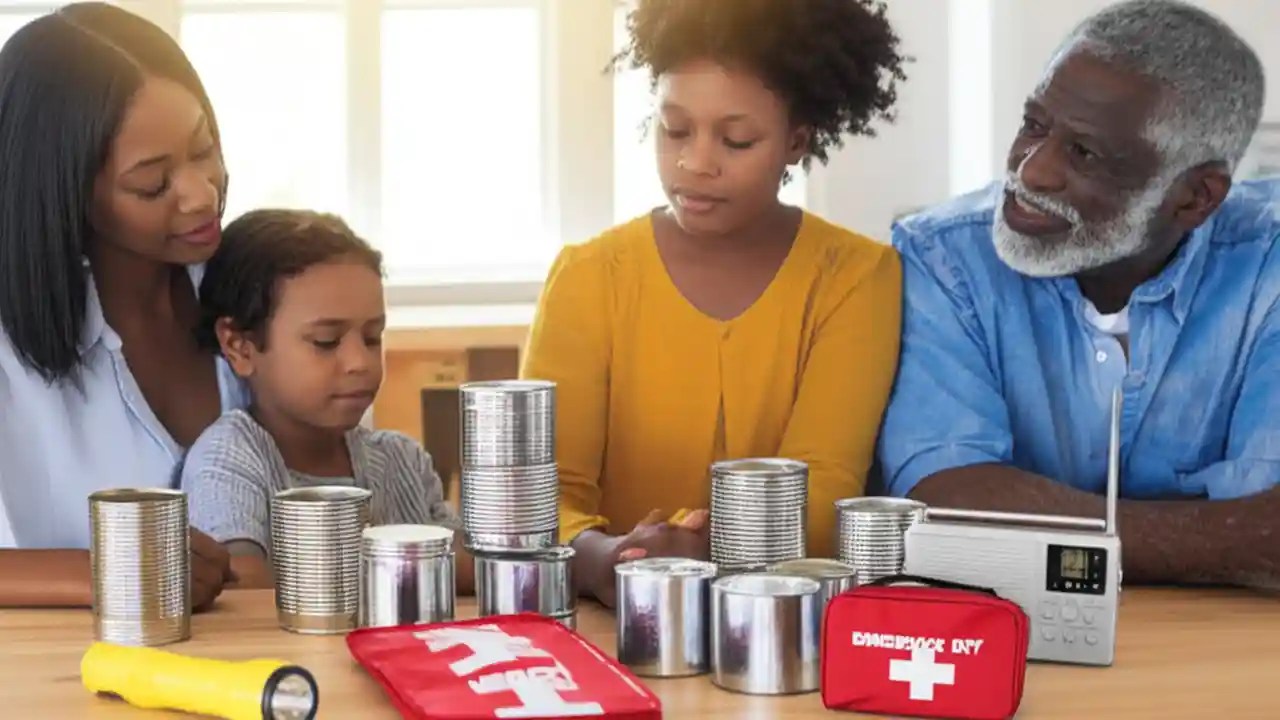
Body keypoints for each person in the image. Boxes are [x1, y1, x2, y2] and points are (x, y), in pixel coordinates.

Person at [878, 0, 1280, 589]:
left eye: (1084, 153)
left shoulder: (1267, 260)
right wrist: (1222, 538)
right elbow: (944, 498)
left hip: (1231, 649)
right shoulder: (942, 255)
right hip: (1015, 632)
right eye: (1033, 125)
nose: (1032, 171)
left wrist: (1031, 519)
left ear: (1196, 197)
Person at [522, 0, 908, 607]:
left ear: (796, 141)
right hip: (604, 620)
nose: (694, 163)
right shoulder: (588, 276)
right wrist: (612, 557)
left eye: (736, 140)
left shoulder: (857, 277)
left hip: (784, 620)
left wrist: (705, 552)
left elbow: (825, 490)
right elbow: (545, 495)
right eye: (675, 129)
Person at [0, 3, 241, 608]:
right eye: (152, 184)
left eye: (203, 147)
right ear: (66, 192)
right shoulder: (10, 343)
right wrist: (111, 569)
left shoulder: (265, 288)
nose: (201, 194)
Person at [181, 209, 474, 593]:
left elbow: (472, 569)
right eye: (326, 342)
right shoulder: (232, 459)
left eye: (372, 337)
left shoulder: (402, 460)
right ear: (240, 346)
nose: (360, 363)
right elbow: (243, 588)